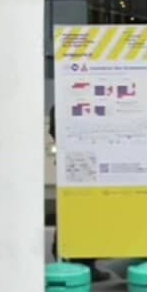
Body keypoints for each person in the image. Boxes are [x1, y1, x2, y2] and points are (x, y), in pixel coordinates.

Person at [47, 104, 111, 281]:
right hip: (83, 166)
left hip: (73, 167)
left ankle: (69, 257)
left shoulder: (62, 102)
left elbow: (54, 131)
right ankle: (84, 262)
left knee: (72, 213)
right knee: (84, 215)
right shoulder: (88, 105)